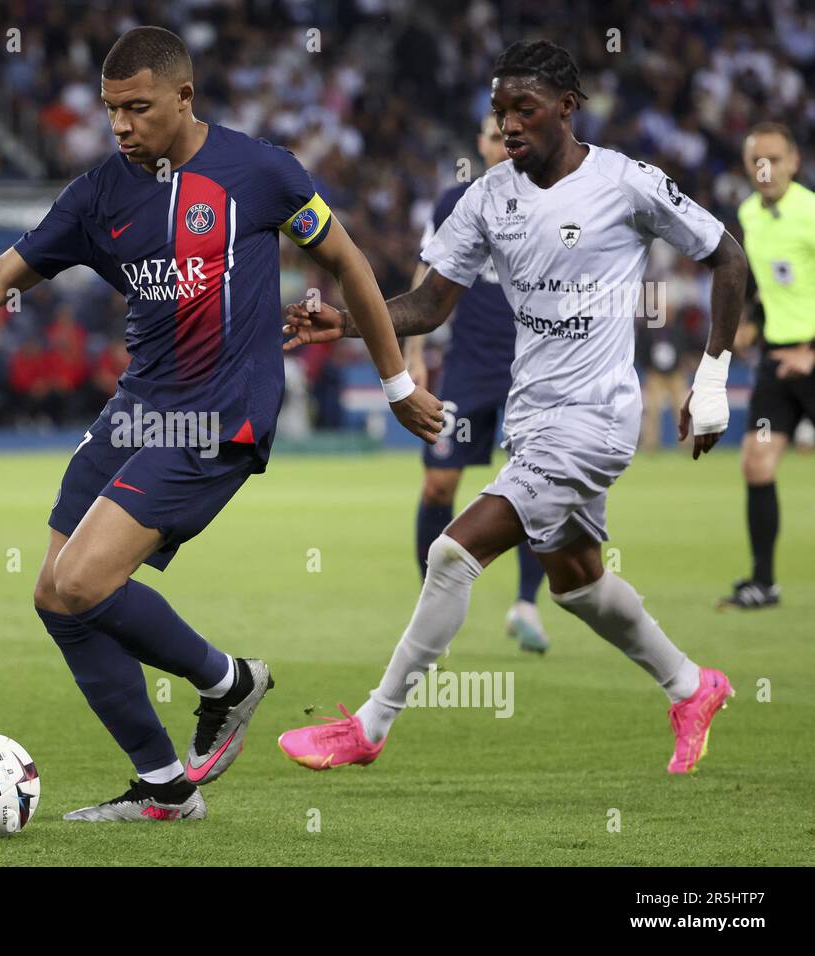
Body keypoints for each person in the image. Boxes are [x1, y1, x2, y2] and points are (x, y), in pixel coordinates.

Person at [0, 26, 444, 822]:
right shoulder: (98, 195)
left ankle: (228, 681)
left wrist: (395, 382)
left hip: (221, 414)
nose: (120, 126)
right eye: (111, 110)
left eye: (138, 108)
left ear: (184, 97)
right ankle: (162, 784)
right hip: (137, 410)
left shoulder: (259, 170)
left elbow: (350, 264)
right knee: (55, 599)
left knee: (83, 582)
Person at [279, 39, 746, 776]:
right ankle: (693, 686)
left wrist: (712, 378)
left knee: (452, 553)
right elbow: (431, 303)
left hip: (596, 417)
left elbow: (728, 256)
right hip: (533, 419)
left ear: (567, 107)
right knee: (578, 585)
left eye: (524, 110)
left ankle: (369, 726)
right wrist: (351, 319)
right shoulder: (490, 195)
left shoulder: (626, 182)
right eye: (500, 113)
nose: (509, 126)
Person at [405, 112, 550, 653]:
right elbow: (426, 274)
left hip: (532, 370)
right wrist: (414, 354)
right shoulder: (454, 203)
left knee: (534, 489)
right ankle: (431, 610)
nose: (505, 145)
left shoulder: (551, 199)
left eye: (514, 137)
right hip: (468, 367)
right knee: (438, 484)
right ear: (482, 144)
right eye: (496, 136)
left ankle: (527, 605)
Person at [718, 122, 815, 610]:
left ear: (795, 163)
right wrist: (753, 321)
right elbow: (762, 283)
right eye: (757, 160)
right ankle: (763, 583)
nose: (765, 169)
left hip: (811, 357)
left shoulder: (811, 213)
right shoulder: (749, 214)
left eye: (775, 159)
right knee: (756, 462)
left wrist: (811, 350)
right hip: (777, 363)